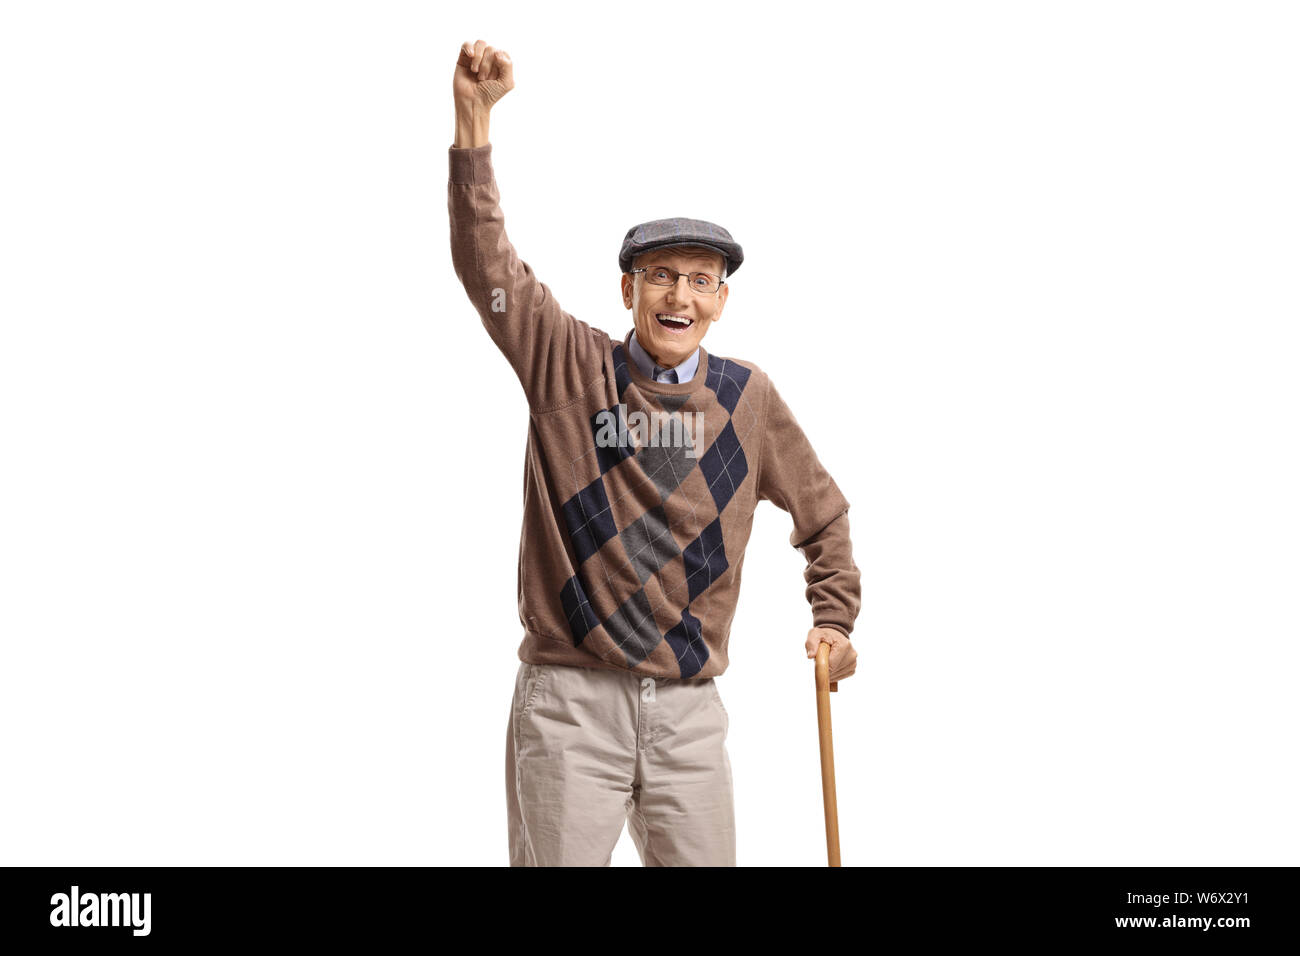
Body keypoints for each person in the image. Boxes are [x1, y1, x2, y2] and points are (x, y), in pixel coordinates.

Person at [449, 39, 861, 866]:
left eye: (700, 280)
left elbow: (825, 516)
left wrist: (833, 620)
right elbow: (487, 266)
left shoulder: (748, 399)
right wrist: (474, 122)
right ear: (628, 290)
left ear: (721, 301)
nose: (680, 294)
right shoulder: (567, 363)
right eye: (661, 275)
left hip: (688, 712)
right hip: (571, 702)